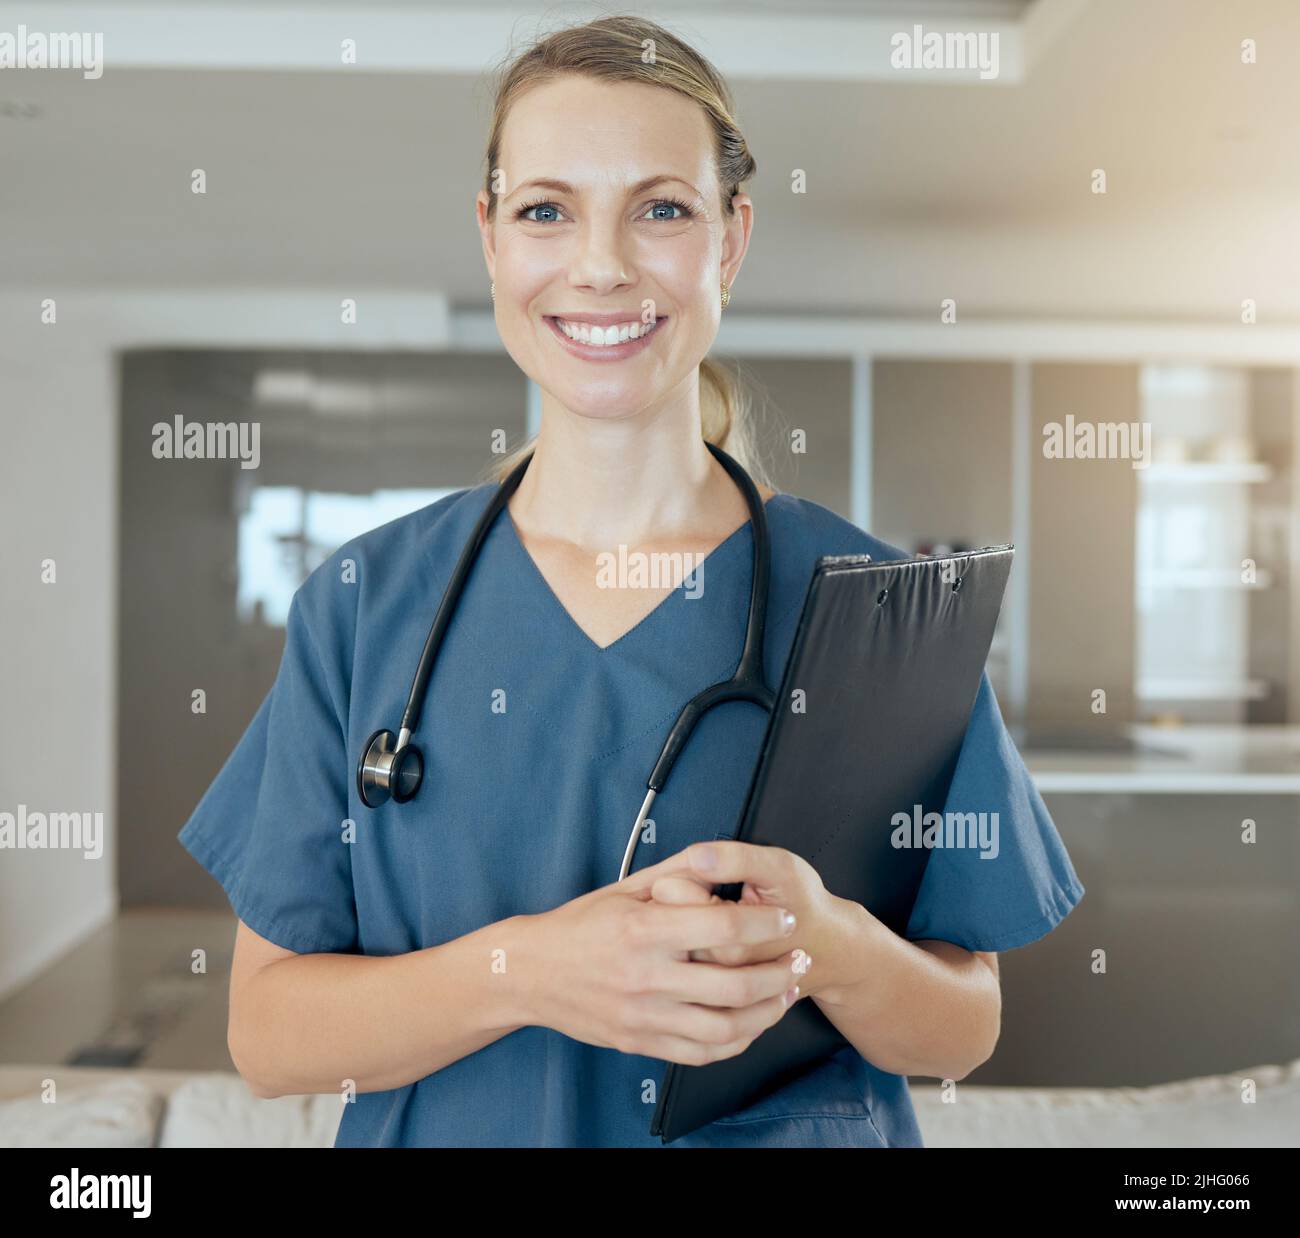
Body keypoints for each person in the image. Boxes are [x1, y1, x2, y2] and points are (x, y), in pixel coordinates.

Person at [178, 14, 1083, 1148]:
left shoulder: (867, 601)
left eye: (660, 208)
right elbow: (267, 1034)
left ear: (730, 239)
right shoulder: (366, 604)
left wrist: (827, 943)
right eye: (545, 209)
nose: (600, 264)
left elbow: (961, 1023)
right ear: (491, 238)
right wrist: (528, 969)